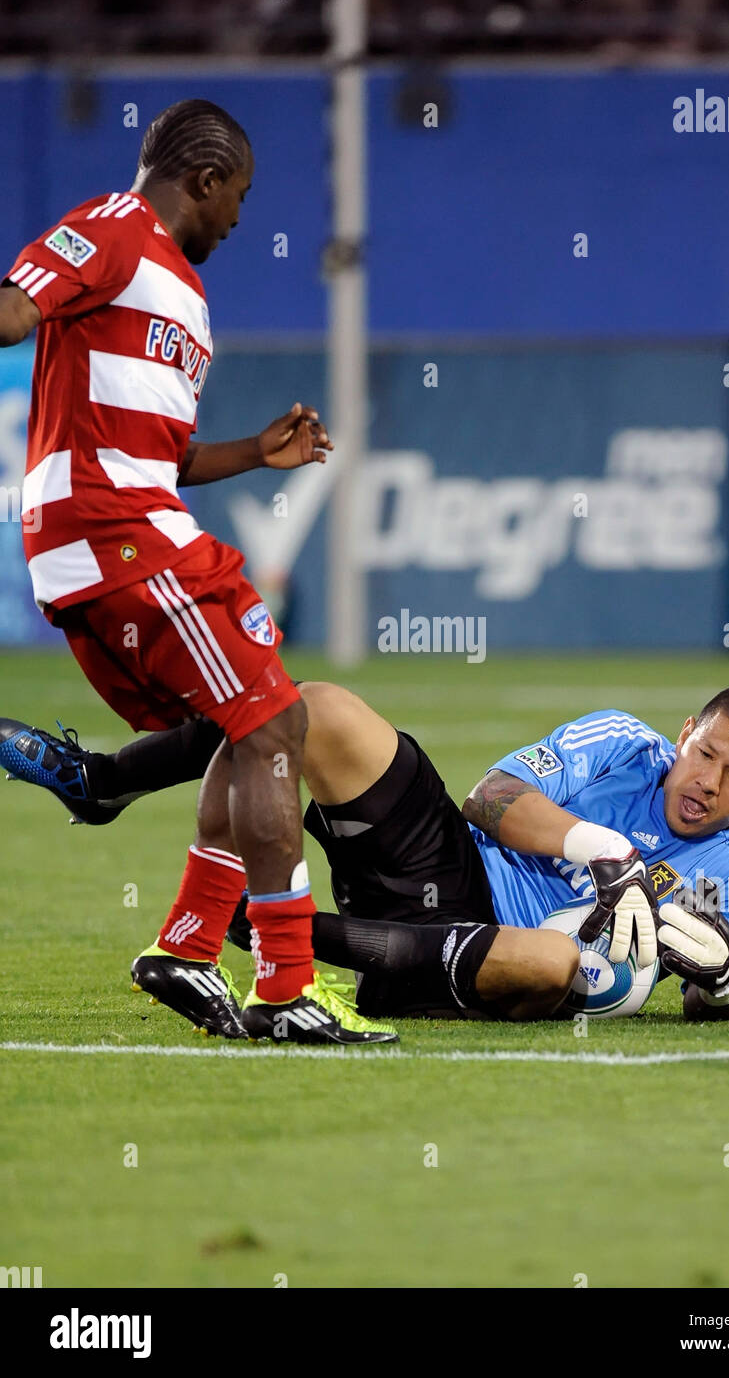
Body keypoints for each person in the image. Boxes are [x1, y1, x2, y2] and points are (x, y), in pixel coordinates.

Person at [0, 97, 395, 1047]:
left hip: (126, 518)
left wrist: (256, 454)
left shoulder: (180, 291)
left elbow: (162, 454)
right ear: (205, 180)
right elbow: (13, 315)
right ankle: (284, 987)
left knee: (244, 724)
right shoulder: (112, 228)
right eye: (240, 198)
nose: (239, 218)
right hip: (116, 531)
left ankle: (181, 938)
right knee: (275, 724)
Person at [1, 680, 729, 1025]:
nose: (706, 784)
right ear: (686, 732)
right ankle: (101, 781)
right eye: (704, 755)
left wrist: (710, 969)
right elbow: (488, 798)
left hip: (505, 960)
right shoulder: (623, 741)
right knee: (313, 707)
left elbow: (719, 998)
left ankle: (282, 936)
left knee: (555, 965)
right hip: (440, 864)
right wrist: (601, 847)